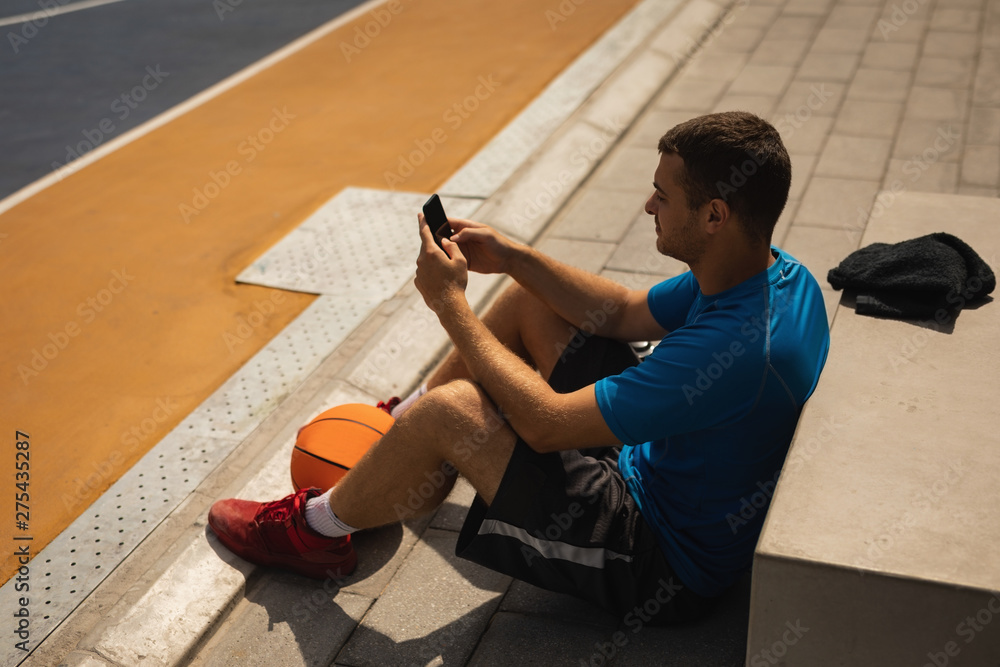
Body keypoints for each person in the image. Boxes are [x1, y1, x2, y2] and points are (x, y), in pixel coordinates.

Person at [208, 111, 830, 624]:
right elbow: (620, 311)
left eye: (663, 197)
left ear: (715, 216)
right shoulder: (769, 271)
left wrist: (449, 304)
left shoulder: (741, 350)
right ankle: (402, 434)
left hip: (659, 560)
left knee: (453, 413)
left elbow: (548, 426)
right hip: (658, 463)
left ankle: (313, 534)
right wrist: (513, 257)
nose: (647, 205)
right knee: (530, 300)